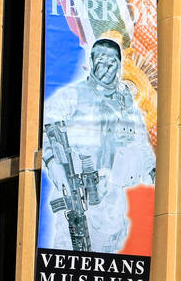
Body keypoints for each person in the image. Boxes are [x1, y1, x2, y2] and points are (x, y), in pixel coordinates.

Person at [41, 37, 155, 253]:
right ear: (91, 62)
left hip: (109, 206)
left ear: (119, 65)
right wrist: (53, 164)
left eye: (112, 62)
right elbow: (46, 129)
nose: (106, 67)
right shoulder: (72, 95)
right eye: (100, 60)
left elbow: (142, 149)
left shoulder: (126, 106)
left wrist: (143, 170)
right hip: (75, 198)